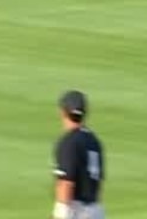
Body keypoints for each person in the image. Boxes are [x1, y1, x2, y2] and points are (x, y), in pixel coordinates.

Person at [51, 90, 106, 219]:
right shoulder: (94, 141)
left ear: (63, 112)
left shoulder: (69, 142)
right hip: (96, 210)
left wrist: (59, 215)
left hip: (77, 211)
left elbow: (66, 183)